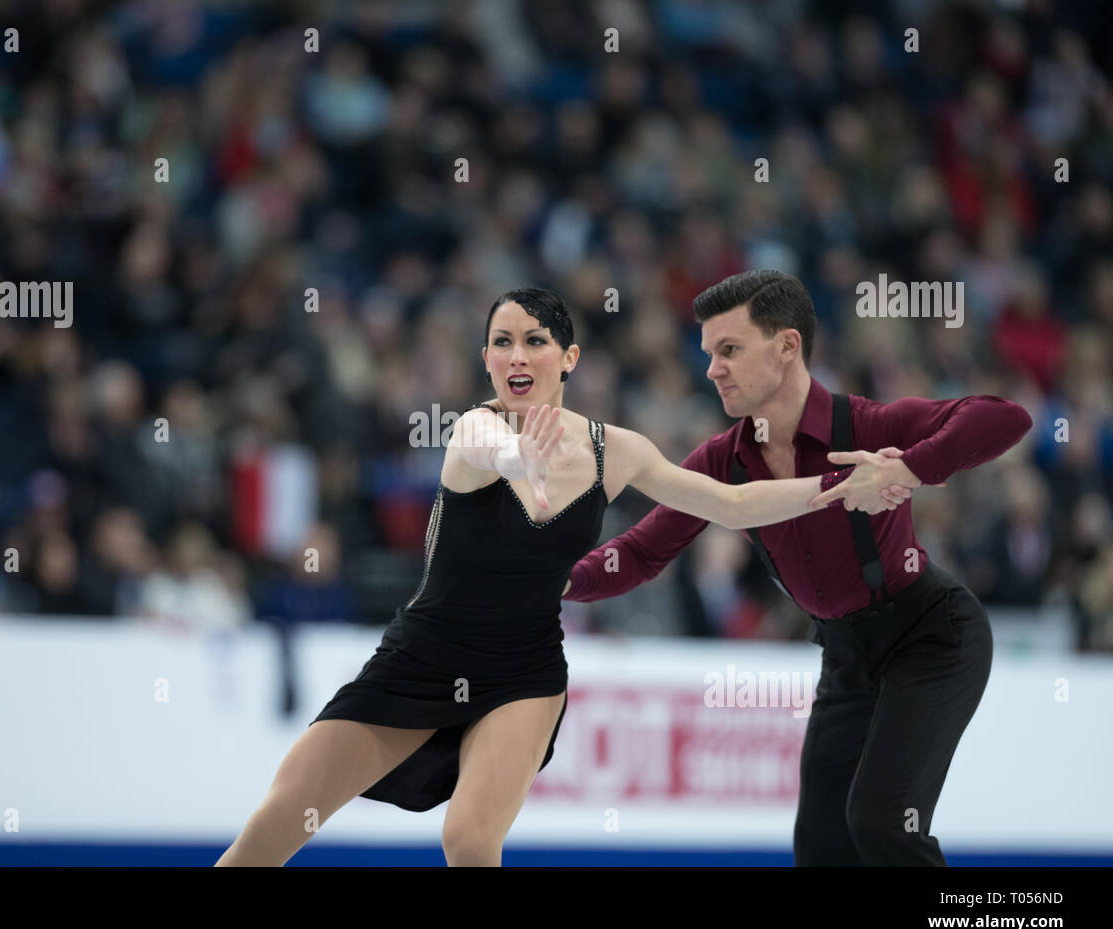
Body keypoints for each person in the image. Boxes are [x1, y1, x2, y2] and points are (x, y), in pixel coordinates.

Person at [215, 287, 896, 867]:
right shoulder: (471, 433)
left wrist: (837, 485)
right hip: (419, 657)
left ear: (568, 358)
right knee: (279, 821)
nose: (516, 354)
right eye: (501, 342)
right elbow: (491, 450)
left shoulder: (615, 451)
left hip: (524, 670)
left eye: (534, 341)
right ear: (485, 359)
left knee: (471, 841)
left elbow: (734, 502)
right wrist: (519, 463)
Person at [563, 269, 1034, 866]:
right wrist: (558, 579)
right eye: (709, 353)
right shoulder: (719, 462)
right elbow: (639, 551)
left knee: (883, 823)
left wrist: (905, 470)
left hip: (932, 638)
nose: (712, 369)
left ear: (787, 346)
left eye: (729, 350)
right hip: (846, 659)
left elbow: (1003, 417)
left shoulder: (865, 425)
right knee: (821, 849)